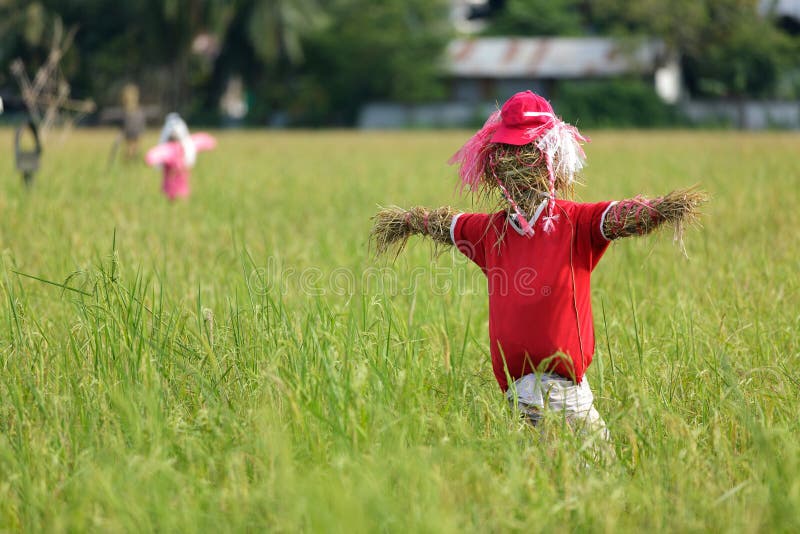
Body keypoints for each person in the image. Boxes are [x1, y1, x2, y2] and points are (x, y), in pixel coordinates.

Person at [371, 91, 706, 441]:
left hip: (555, 390)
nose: (516, 163)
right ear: (496, 164)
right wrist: (406, 220)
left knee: (573, 470)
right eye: (510, 153)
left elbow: (618, 216)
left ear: (550, 156)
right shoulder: (491, 231)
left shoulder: (574, 223)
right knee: (595, 470)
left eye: (525, 152)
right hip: (537, 392)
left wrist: (663, 208)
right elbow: (445, 223)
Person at [145, 113, 216, 201]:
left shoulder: (167, 149)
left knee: (174, 196)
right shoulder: (183, 147)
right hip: (178, 178)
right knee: (179, 195)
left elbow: (152, 158)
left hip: (173, 179)